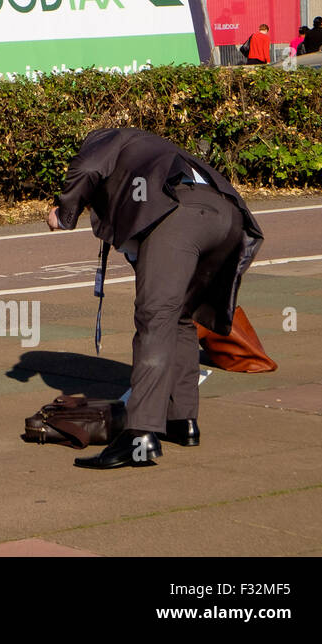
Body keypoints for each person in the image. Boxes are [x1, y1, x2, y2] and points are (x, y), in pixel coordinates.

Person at [47, 127, 263, 468]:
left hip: (180, 214)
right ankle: (182, 421)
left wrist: (64, 212)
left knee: (155, 316)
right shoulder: (158, 150)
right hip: (229, 218)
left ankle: (140, 436)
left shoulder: (110, 140)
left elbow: (88, 169)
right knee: (180, 316)